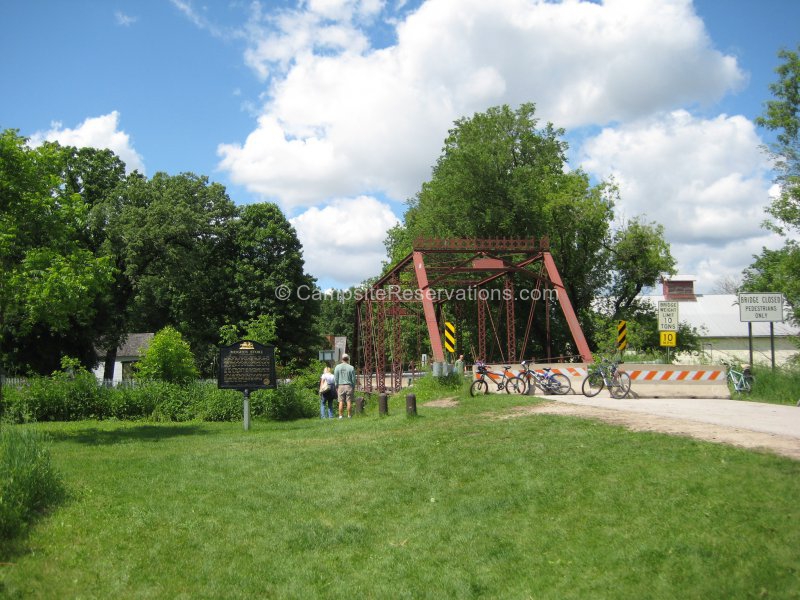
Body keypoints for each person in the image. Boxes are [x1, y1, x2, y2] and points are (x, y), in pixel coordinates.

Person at [333, 353, 356, 419]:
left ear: (342, 359)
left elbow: (336, 378)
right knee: (349, 401)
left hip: (340, 385)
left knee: (341, 401)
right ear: (348, 359)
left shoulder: (337, 367)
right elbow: (353, 379)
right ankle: (349, 415)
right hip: (349, 386)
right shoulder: (351, 367)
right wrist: (353, 386)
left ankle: (340, 416)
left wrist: (336, 386)